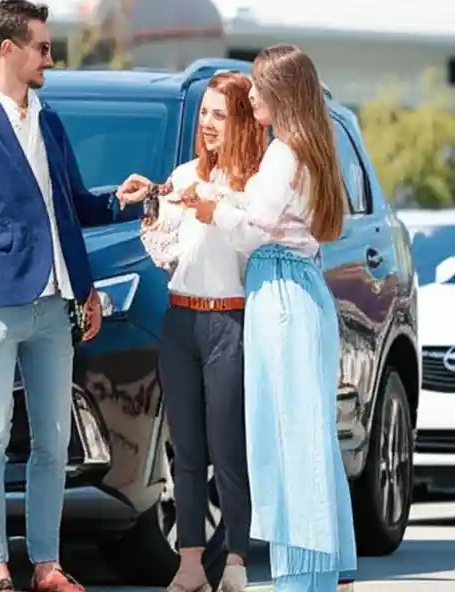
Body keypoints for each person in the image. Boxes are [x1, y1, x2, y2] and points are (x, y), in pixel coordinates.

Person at [0, 0, 140, 592]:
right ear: (7, 48)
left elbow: (73, 207)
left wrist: (120, 201)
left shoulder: (50, 119)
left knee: (53, 441)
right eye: (42, 46)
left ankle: (46, 565)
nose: (51, 57)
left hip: (54, 305)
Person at [188, 44, 358, 591]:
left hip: (280, 294)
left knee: (286, 439)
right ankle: (327, 570)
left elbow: (256, 225)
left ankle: (300, 577)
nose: (252, 94)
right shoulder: (312, 147)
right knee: (311, 436)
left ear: (280, 94)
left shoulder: (284, 152)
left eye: (259, 86)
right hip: (302, 288)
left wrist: (213, 209)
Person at [116, 71, 266, 592]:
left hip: (230, 320)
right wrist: (154, 202)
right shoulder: (183, 175)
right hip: (181, 321)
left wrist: (217, 206)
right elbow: (166, 253)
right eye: (204, 112)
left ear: (243, 120)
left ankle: (236, 562)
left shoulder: (257, 185)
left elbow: (255, 248)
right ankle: (189, 564)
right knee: (185, 450)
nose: (207, 123)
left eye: (219, 114)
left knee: (228, 448)